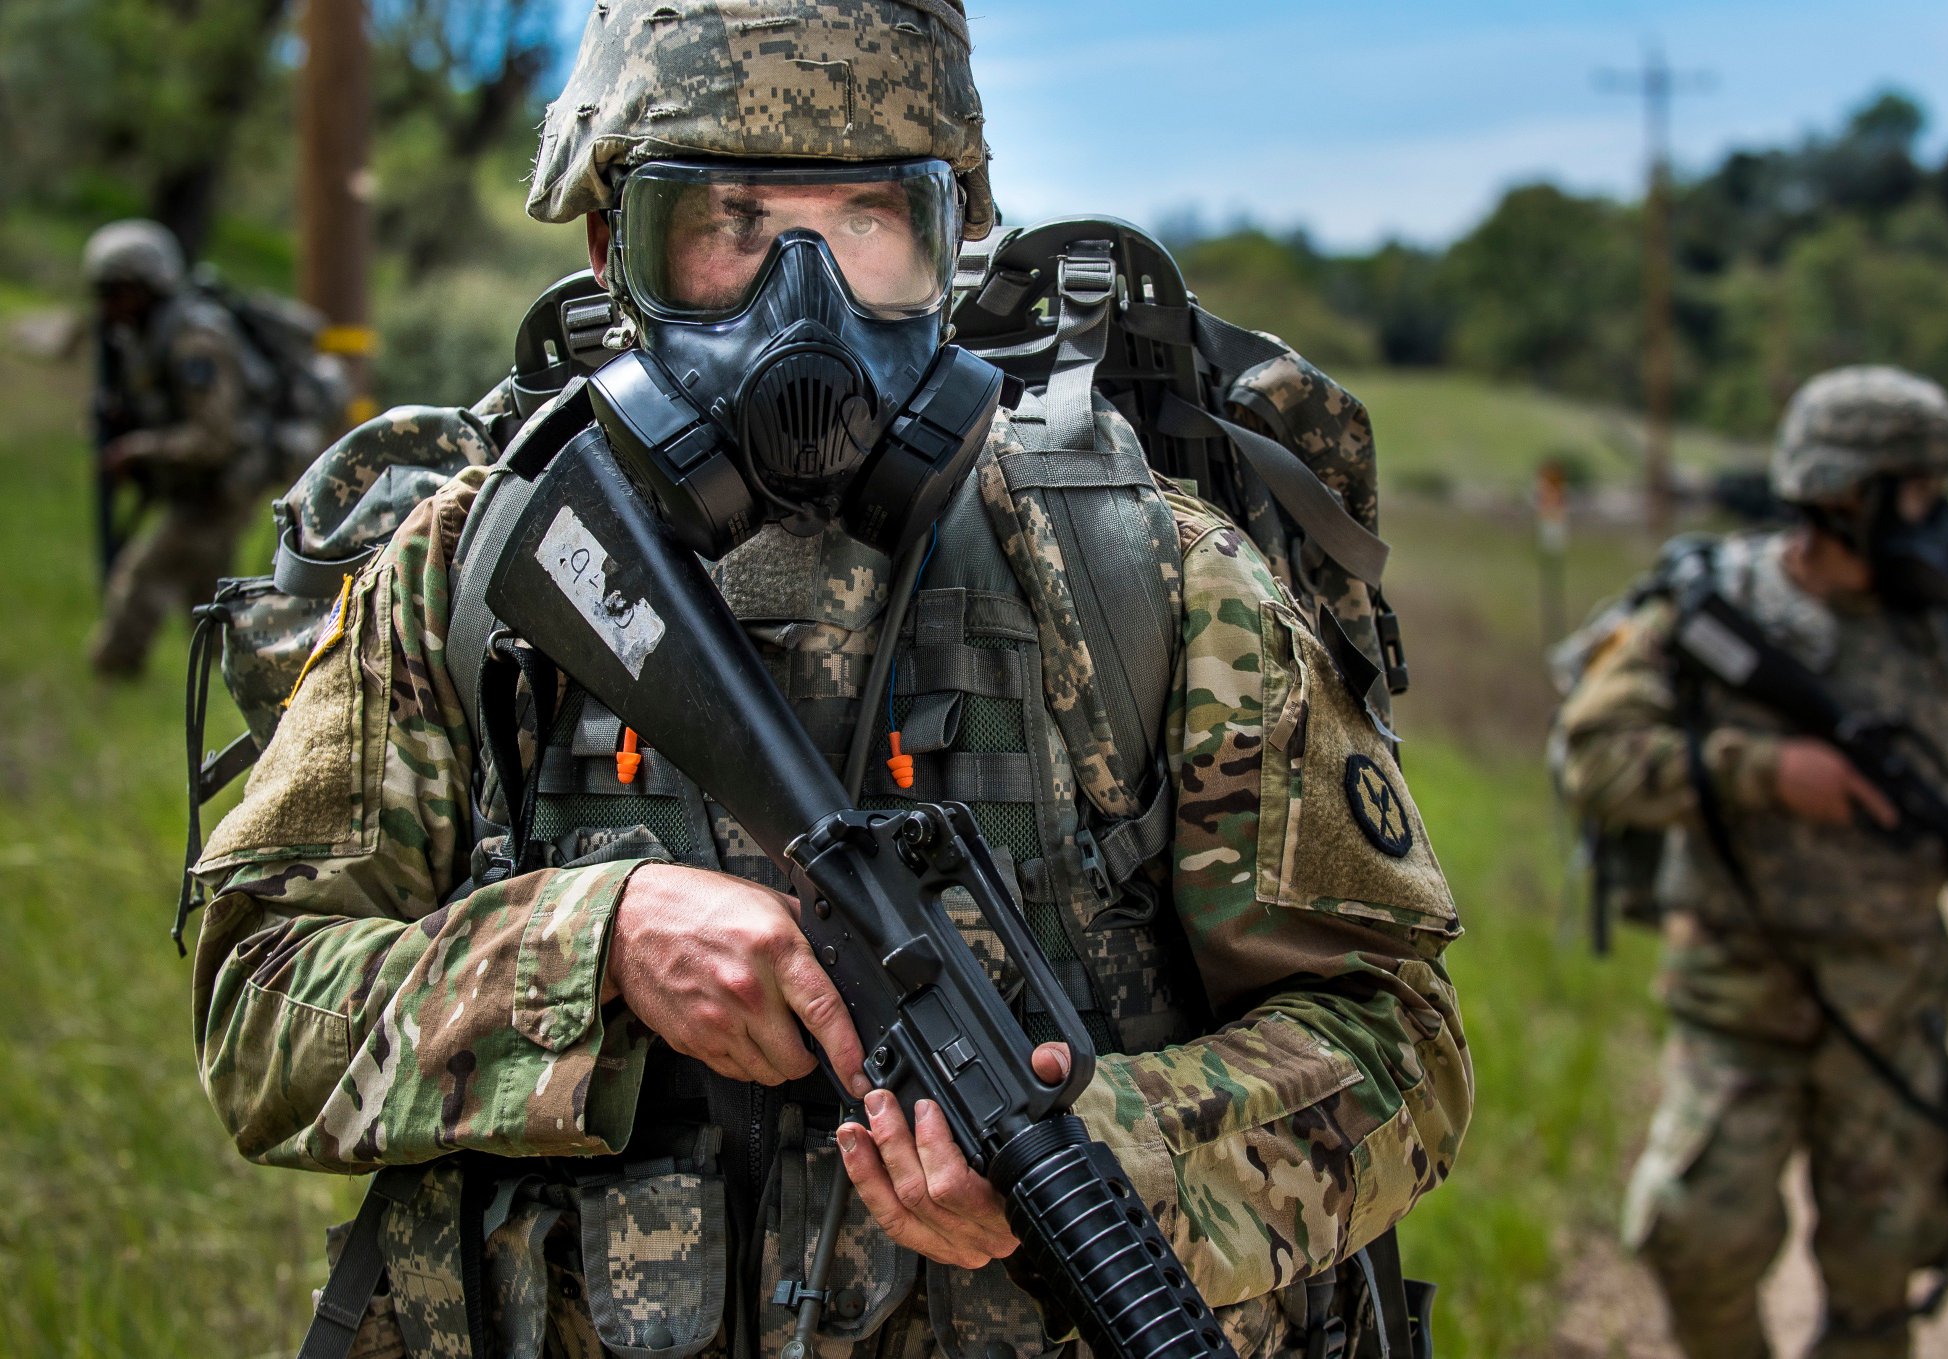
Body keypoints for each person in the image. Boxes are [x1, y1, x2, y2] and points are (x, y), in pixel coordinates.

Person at [187, 3, 1473, 1355]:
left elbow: (1399, 1046)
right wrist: (596, 944)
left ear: (950, 241)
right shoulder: (475, 571)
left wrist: (1109, 1157)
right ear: (611, 247)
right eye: (726, 226)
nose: (802, 306)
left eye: (869, 223)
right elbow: (258, 1011)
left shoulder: (1145, 576)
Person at [1557, 365, 1948, 1359]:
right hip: (1740, 998)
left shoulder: (1941, 646)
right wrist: (1767, 772)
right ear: (1841, 493)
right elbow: (1590, 757)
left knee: (1878, 1261)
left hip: (1889, 1004)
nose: (1933, 515)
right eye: (1914, 490)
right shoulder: (1709, 614)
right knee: (1694, 1239)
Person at [82, 219, 277, 676]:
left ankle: (112, 675)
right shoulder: (144, 338)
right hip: (199, 486)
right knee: (210, 602)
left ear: (148, 287)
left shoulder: (195, 340)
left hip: (222, 486)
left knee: (143, 578)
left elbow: (214, 439)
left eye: (116, 292)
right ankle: (249, 682)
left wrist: (139, 450)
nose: (107, 307)